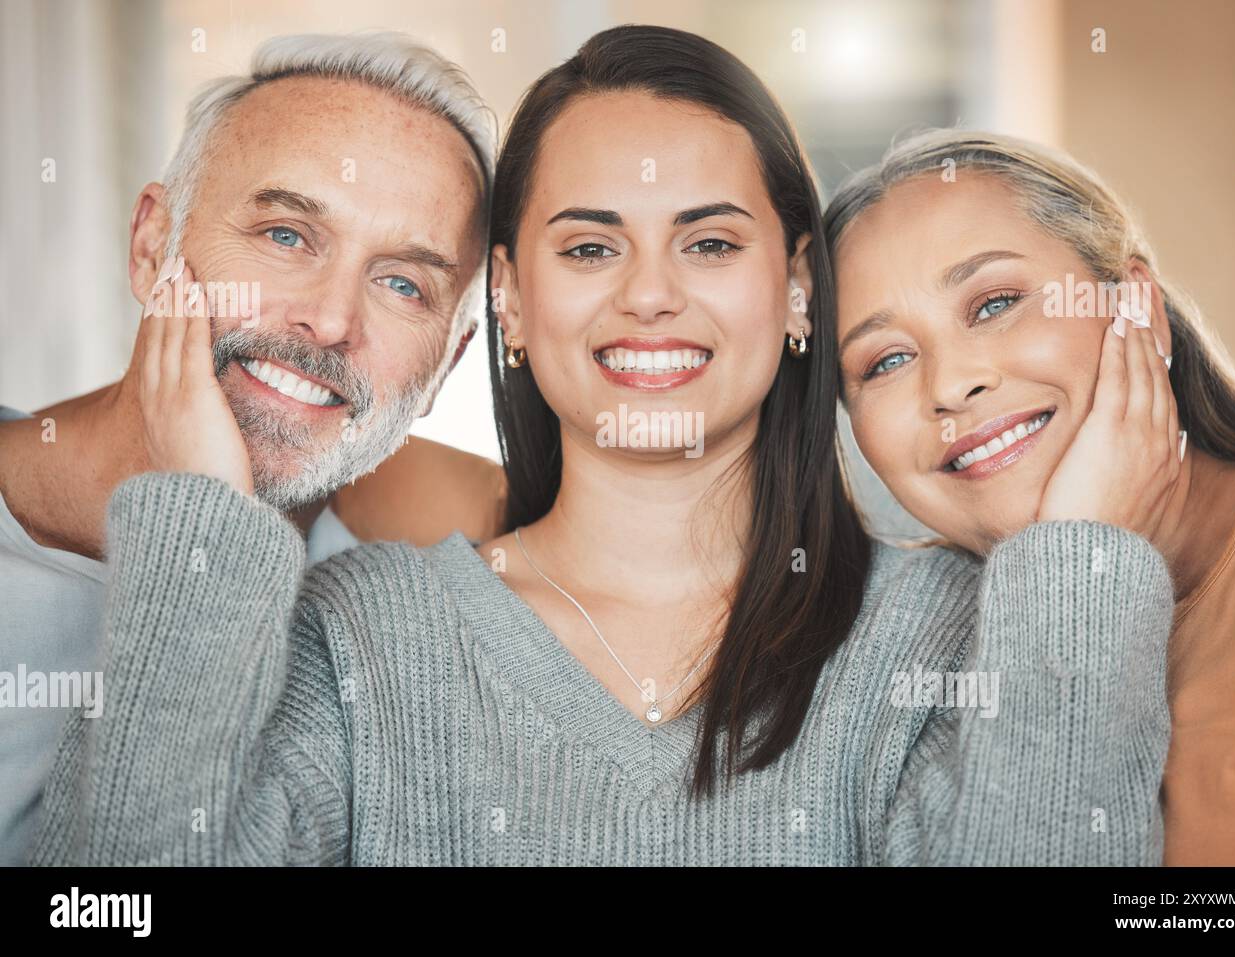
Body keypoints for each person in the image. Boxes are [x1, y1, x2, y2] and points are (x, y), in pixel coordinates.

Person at [34, 26, 1175, 867]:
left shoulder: (955, 633)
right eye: (588, 249)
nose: (649, 298)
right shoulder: (354, 640)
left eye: (709, 242)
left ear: (793, 291)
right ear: (510, 305)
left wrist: (1078, 565)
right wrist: (195, 531)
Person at [0, 31, 499, 865]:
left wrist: (207, 527)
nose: (332, 320)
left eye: (403, 283)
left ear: (445, 366)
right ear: (152, 243)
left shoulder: (403, 621)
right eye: (285, 235)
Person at [828, 128, 1235, 865]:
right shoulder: (914, 667)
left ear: (1135, 305)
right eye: (885, 359)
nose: (951, 384)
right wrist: (1075, 567)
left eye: (994, 303)